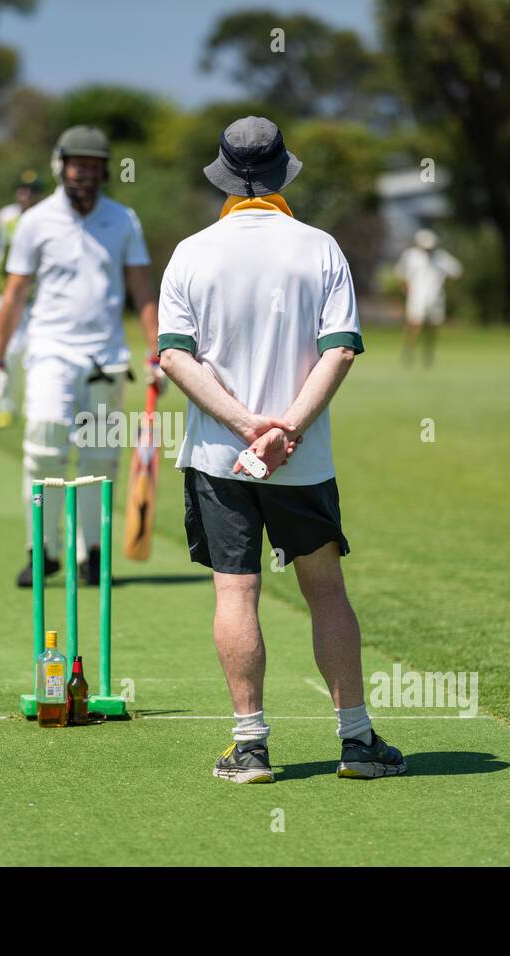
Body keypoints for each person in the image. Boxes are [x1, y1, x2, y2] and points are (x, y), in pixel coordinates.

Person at [156, 116, 406, 784]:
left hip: (218, 459)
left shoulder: (190, 252)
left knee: (236, 594)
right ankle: (356, 743)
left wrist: (245, 426)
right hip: (303, 459)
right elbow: (341, 348)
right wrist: (285, 430)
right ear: (281, 173)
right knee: (326, 591)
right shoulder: (321, 248)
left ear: (223, 176)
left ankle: (251, 748)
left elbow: (173, 358)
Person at [0, 126, 164, 587]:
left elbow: (142, 288)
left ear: (105, 170)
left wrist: (158, 351)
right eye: (76, 163)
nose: (84, 172)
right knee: (45, 447)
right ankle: (43, 550)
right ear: (60, 166)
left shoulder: (123, 219)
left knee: (100, 457)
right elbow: (16, 293)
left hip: (106, 354)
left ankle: (92, 552)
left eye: (93, 165)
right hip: (50, 351)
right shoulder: (35, 221)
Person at [0, 169, 46, 427]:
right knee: (8, 351)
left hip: (37, 298)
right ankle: (4, 406)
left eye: (31, 190)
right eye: (22, 189)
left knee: (34, 352)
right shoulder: (6, 217)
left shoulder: (47, 218)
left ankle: (34, 406)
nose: (26, 194)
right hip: (7, 293)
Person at [395, 228, 462, 367]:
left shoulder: (441, 257)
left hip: (436, 299)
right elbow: (400, 274)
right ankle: (409, 353)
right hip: (417, 298)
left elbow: (456, 271)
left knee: (432, 327)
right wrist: (407, 291)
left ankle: (427, 354)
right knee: (414, 325)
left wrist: (444, 287)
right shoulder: (411, 256)